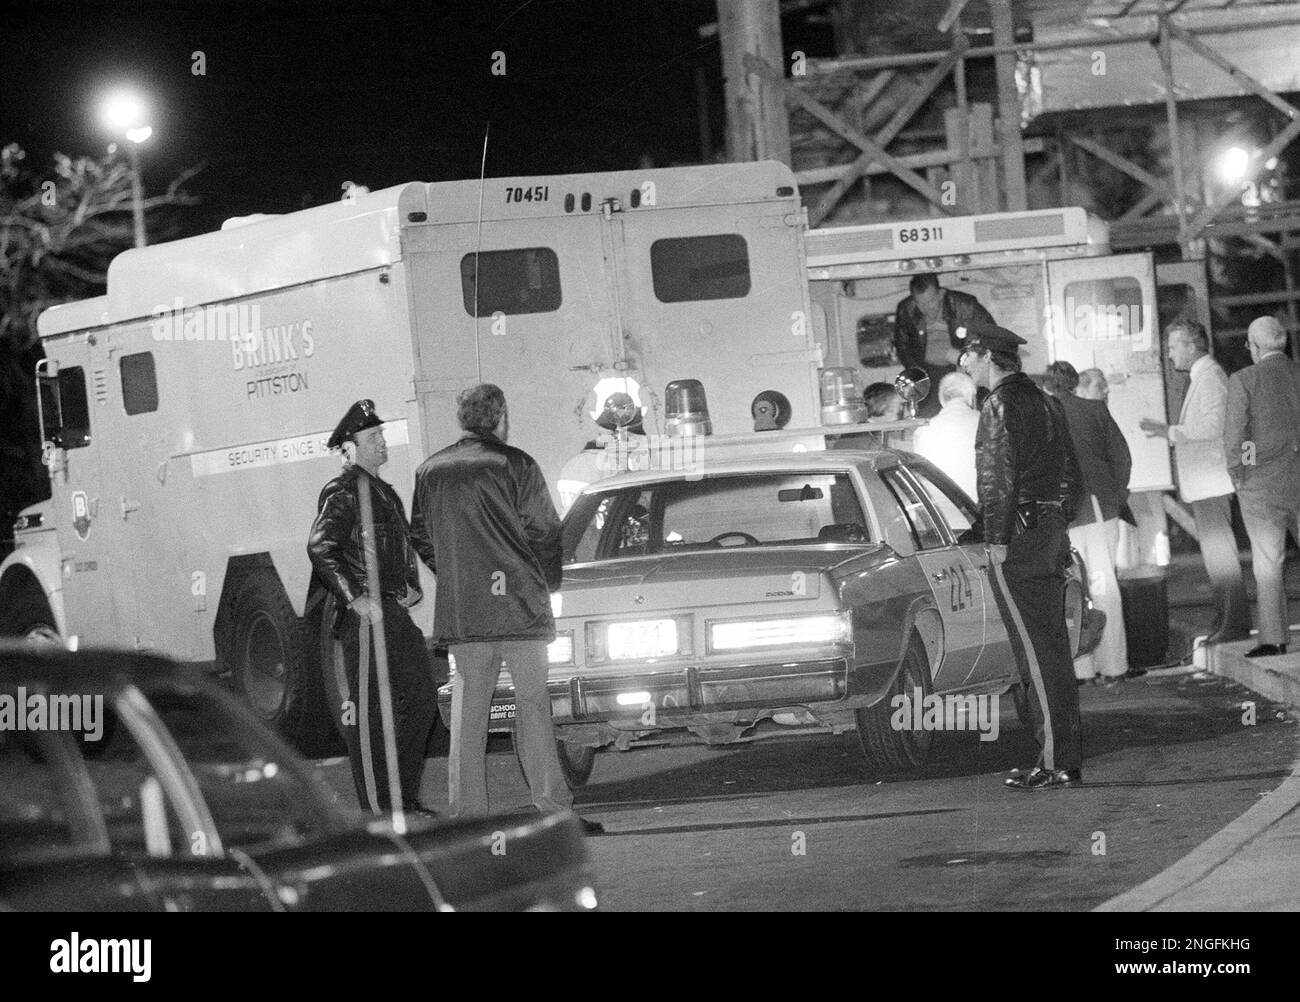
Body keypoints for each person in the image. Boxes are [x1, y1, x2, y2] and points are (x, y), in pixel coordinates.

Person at [410, 384, 603, 834]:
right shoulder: (516, 464)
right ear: (501, 418)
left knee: (468, 713)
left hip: (466, 612)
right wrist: (544, 582)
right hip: (518, 609)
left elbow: (420, 535)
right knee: (532, 707)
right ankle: (553, 810)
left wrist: (457, 575)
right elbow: (544, 530)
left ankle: (467, 817)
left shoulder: (429, 471)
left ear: (463, 419)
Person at [960, 323, 1085, 791]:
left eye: (968, 357)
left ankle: (1055, 762)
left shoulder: (1000, 404)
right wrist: (1056, 520)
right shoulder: (1045, 401)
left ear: (987, 357)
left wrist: (996, 538)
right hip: (1048, 528)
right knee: (1051, 648)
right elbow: (1071, 471)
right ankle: (1058, 757)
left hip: (1019, 536)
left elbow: (998, 477)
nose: (965, 366)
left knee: (1035, 655)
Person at [307, 399, 438, 816]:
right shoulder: (343, 491)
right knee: (372, 715)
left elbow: (398, 545)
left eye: (381, 435)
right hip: (367, 619)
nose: (382, 442)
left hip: (391, 611)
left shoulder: (382, 491)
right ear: (351, 447)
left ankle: (404, 798)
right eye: (373, 437)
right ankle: (381, 809)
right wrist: (355, 598)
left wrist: (412, 586)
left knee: (419, 701)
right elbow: (320, 546)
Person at [1139, 320, 1251, 644]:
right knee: (1217, 557)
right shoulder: (1203, 376)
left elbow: (1215, 426)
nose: (1170, 354)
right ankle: (1226, 621)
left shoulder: (1211, 376)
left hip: (1211, 484)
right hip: (1206, 484)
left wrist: (1171, 432)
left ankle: (1232, 625)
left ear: (1192, 345)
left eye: (1174, 346)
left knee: (1221, 557)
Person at [1046, 361, 1132, 684]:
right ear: (1074, 383)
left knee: (1072, 592)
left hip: (1061, 516)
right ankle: (1114, 667)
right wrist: (1116, 494)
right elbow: (1121, 457)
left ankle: (1081, 669)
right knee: (1106, 586)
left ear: (1048, 386)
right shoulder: (1095, 411)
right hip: (1098, 508)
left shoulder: (1040, 415)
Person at [1224, 316, 1300, 658]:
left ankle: (1274, 638)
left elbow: (1240, 433)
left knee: (1268, 562)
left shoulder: (1245, 379)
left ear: (1255, 346)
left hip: (1262, 486)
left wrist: (1242, 467)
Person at [894, 272, 995, 419]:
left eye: (931, 301)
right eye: (920, 303)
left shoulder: (965, 305)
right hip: (928, 374)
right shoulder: (906, 309)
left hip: (963, 369)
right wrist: (917, 374)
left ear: (940, 294)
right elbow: (902, 346)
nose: (927, 308)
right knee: (930, 416)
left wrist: (962, 359)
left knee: (972, 411)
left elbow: (990, 336)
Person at [911, 371, 979, 500]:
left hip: (943, 508)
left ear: (941, 399)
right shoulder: (986, 422)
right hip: (982, 507)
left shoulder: (923, 431)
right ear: (971, 396)